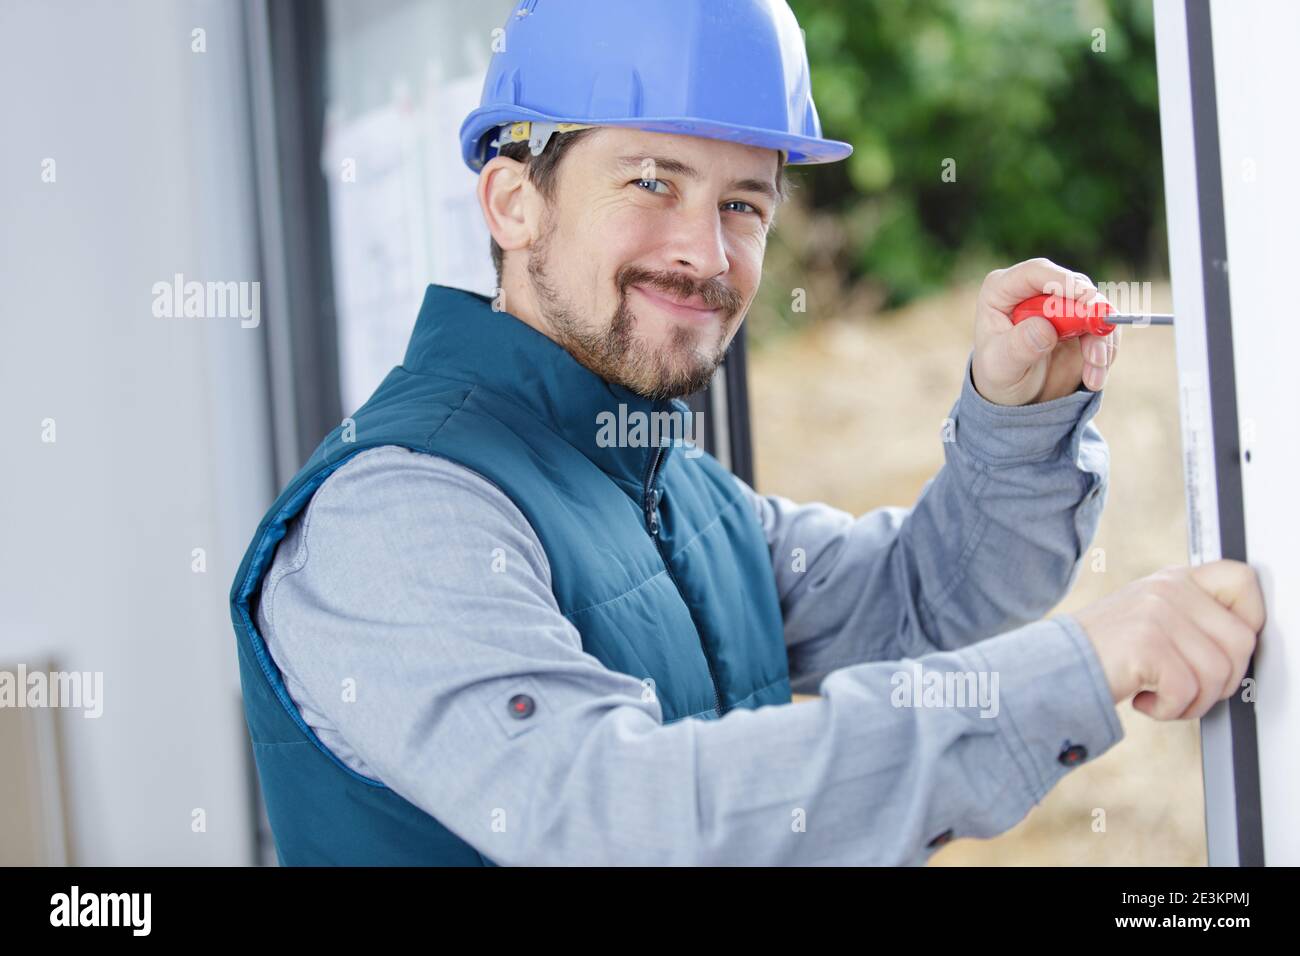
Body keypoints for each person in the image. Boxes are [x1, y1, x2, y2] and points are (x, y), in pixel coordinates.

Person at [229, 0, 1264, 865]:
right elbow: (627, 820)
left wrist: (1020, 415)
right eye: (652, 182)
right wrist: (1073, 666)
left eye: (744, 205)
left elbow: (919, 602)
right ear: (513, 202)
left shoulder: (665, 485)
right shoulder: (400, 511)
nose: (704, 252)